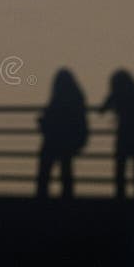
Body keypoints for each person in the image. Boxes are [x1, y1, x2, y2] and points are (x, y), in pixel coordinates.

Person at [99, 69, 134, 200]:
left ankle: (121, 198)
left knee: (121, 169)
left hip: (125, 135)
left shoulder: (118, 94)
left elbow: (102, 109)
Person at [36, 68, 88, 199]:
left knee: (45, 169)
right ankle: (67, 197)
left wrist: (44, 122)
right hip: (68, 140)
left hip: (56, 139)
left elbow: (52, 117)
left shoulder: (59, 98)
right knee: (66, 168)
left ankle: (41, 197)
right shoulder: (77, 97)